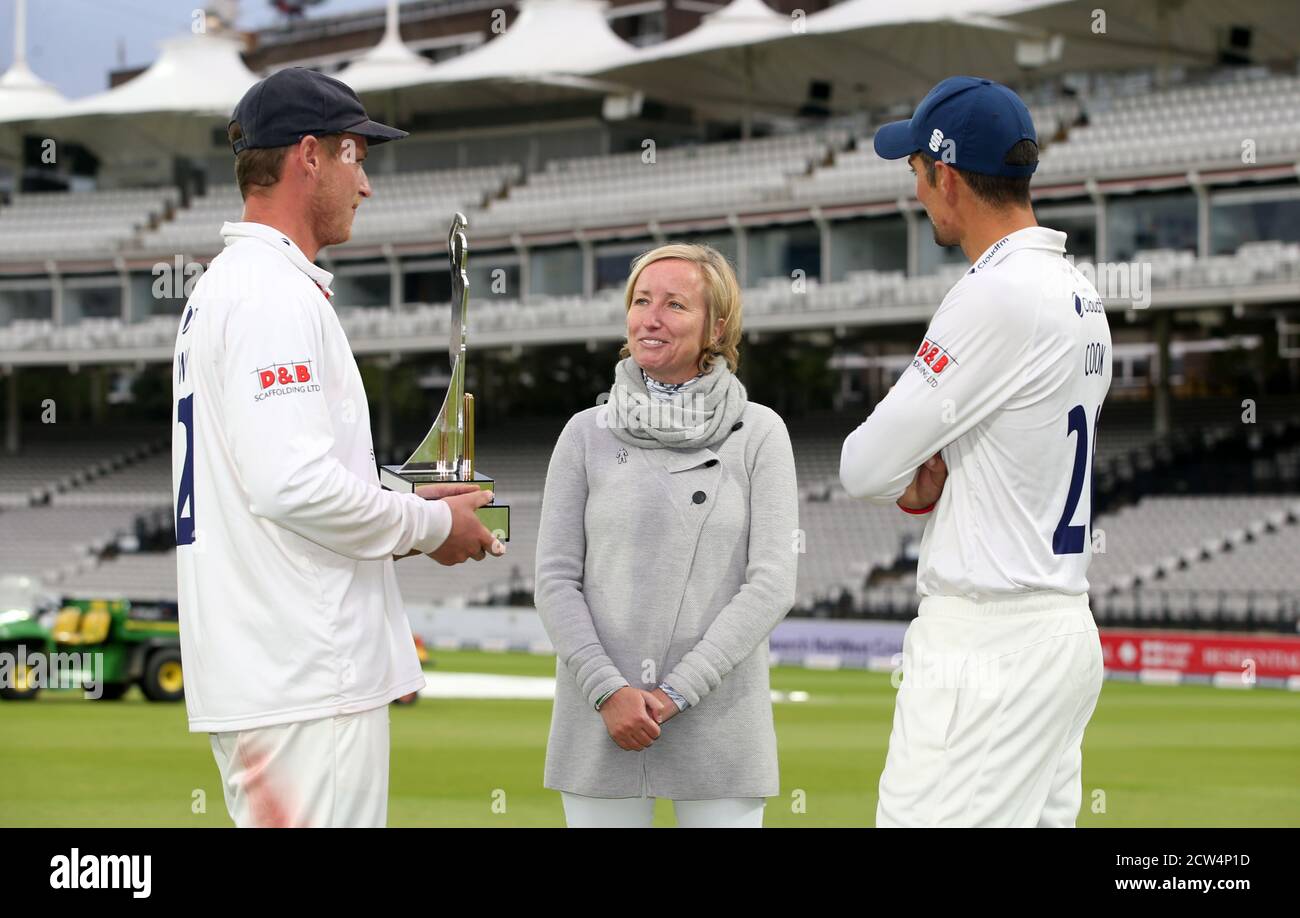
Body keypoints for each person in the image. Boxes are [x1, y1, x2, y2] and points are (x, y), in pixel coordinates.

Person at [171, 68, 503, 828]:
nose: (368, 185)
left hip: (277, 669)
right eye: (357, 156)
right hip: (304, 673)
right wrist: (431, 527)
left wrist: (406, 503)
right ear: (310, 155)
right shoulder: (269, 293)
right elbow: (294, 487)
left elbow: (291, 474)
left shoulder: (237, 285)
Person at [839, 77, 1113, 827]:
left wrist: (920, 466)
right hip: (1057, 624)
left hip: (990, 642)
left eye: (918, 174)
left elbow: (863, 466)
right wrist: (943, 466)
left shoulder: (995, 292)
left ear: (947, 176)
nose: (919, 193)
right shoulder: (1078, 292)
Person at [535, 243, 798, 828]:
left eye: (675, 305)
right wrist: (608, 692)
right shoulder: (585, 434)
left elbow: (773, 584)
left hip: (718, 715)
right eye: (641, 301)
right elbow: (555, 580)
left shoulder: (760, 433)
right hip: (603, 715)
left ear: (717, 325)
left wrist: (677, 692)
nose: (650, 318)